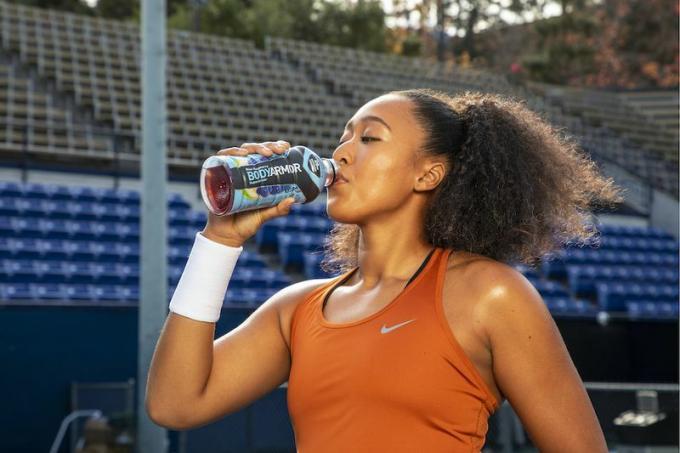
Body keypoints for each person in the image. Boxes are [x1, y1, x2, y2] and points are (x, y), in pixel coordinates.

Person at [146, 88, 623, 452]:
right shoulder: (298, 309)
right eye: (344, 138)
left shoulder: (489, 294)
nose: (343, 153)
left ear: (428, 174)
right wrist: (220, 240)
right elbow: (174, 404)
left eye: (370, 138)